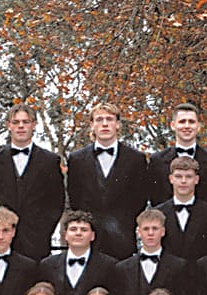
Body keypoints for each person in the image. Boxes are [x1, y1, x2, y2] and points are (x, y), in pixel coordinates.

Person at [64, 103, 150, 258]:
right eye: (99, 119)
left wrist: (122, 223)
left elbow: (140, 198)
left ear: (117, 124)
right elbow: (75, 197)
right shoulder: (76, 159)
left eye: (109, 119)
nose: (104, 124)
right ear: (92, 125)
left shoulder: (136, 159)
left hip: (122, 237)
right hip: (88, 239)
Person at [0, 104, 65, 258]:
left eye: (26, 122)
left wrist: (43, 230)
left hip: (37, 243)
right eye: (15, 122)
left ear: (34, 125)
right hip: (3, 240)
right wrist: (0, 228)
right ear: (8, 126)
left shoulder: (50, 160)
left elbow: (56, 201)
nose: (20, 126)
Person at [116, 209, 190, 295]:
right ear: (139, 232)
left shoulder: (179, 266)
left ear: (163, 232)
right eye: (146, 229)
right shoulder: (122, 268)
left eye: (155, 229)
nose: (150, 233)